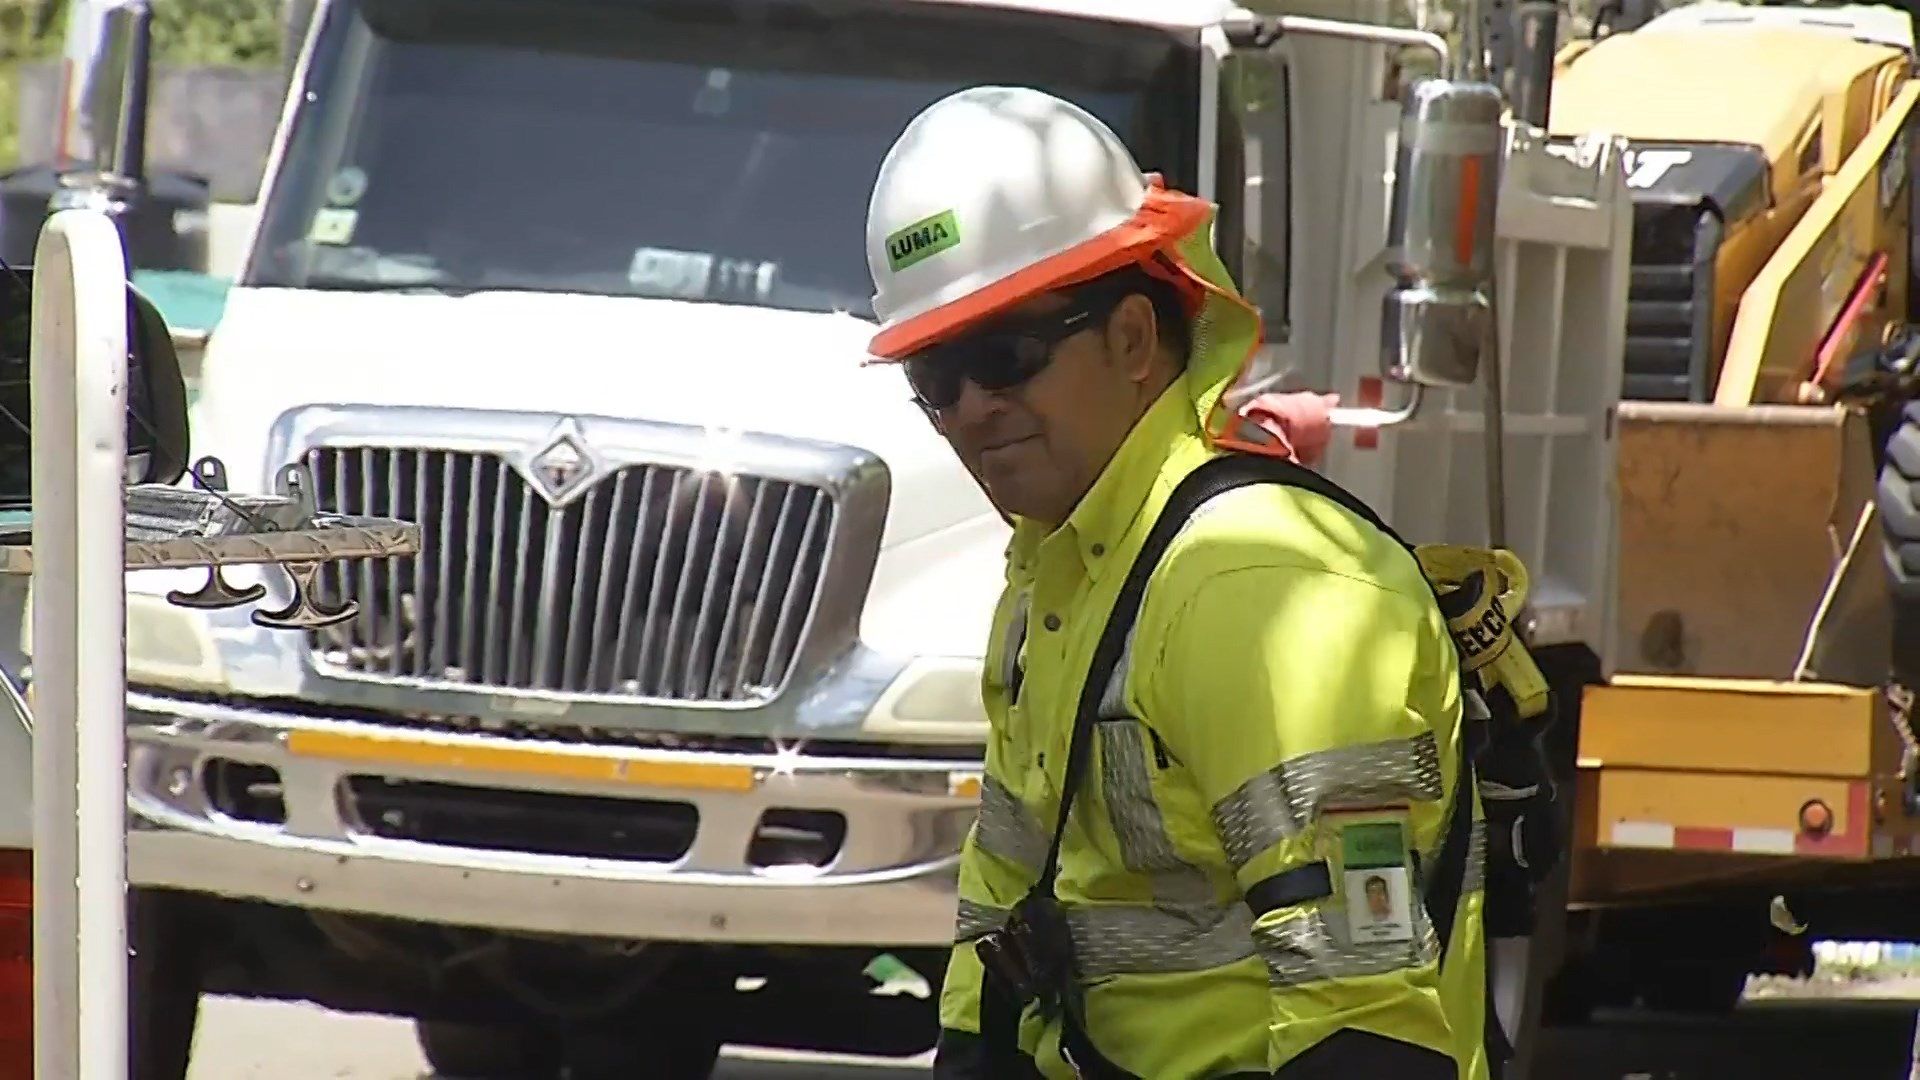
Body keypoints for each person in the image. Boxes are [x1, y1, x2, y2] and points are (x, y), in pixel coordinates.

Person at [860, 85, 1493, 1080]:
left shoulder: (1258, 583)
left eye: (1006, 355)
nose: (973, 407)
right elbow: (1009, 904)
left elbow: (1363, 1012)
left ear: (1132, 340)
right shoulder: (1058, 569)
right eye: (936, 381)